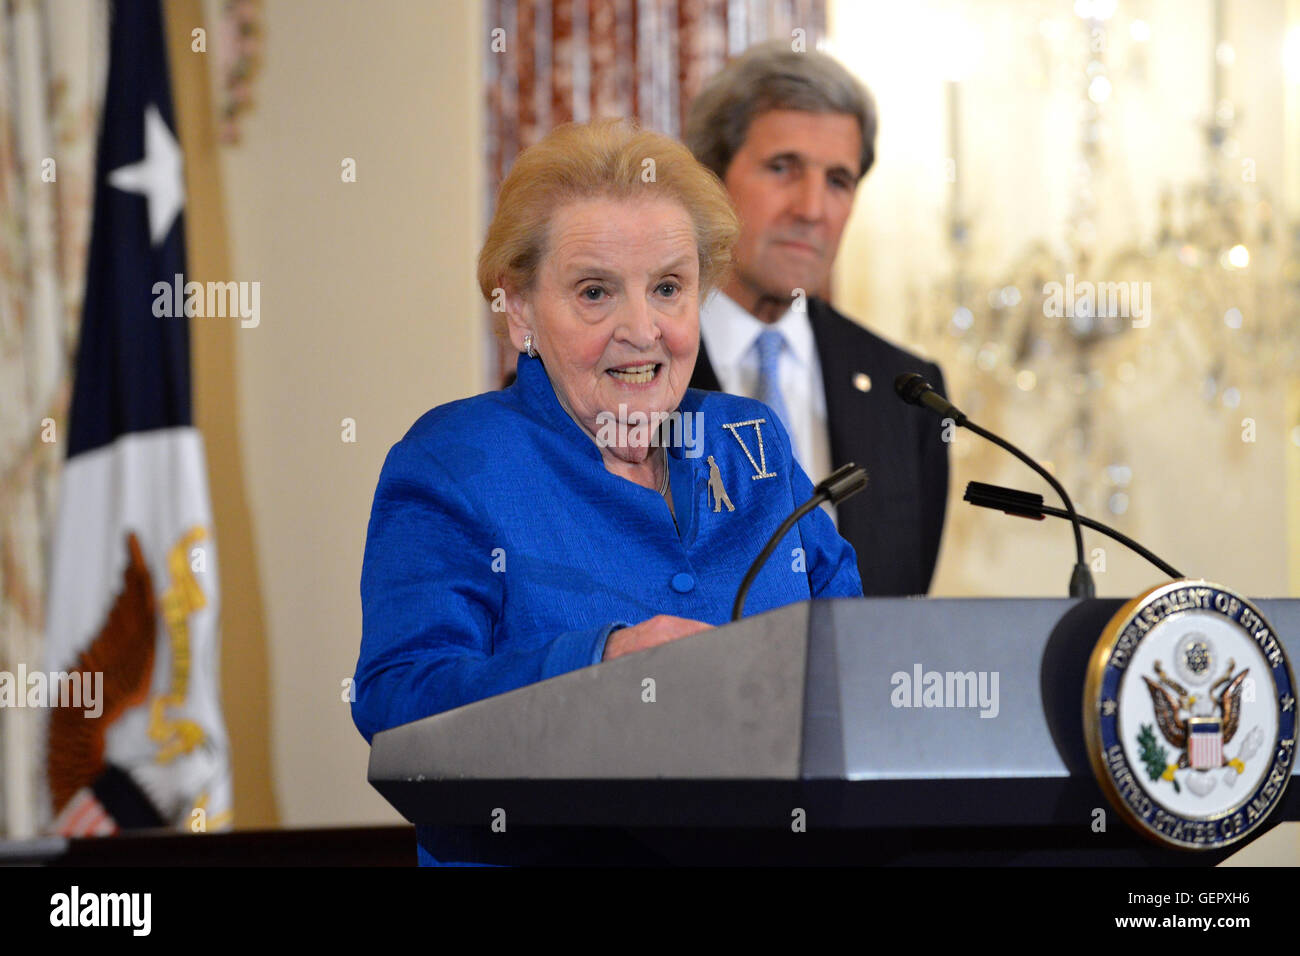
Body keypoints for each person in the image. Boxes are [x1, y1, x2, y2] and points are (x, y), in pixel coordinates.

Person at [351, 119, 863, 865]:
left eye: (668, 288)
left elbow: (848, 661)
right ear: (520, 309)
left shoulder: (753, 444)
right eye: (596, 292)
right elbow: (400, 706)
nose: (641, 329)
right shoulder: (455, 462)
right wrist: (604, 665)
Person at [684, 41, 949, 596]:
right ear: (710, 181)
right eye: (783, 168)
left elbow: (901, 610)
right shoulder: (624, 372)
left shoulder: (910, 394)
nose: (812, 209)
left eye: (838, 180)